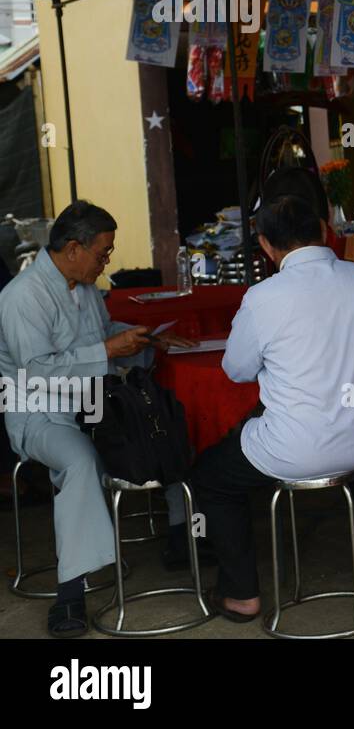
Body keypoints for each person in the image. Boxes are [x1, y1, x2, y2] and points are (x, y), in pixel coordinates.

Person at [190, 193, 354, 623]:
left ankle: (242, 594)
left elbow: (237, 370)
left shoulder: (262, 297)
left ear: (265, 245)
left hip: (291, 451)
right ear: (324, 228)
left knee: (210, 477)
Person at [0, 201, 194, 636]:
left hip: (93, 401)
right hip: (38, 411)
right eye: (103, 253)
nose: (107, 261)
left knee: (164, 424)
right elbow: (37, 371)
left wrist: (144, 339)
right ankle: (69, 596)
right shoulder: (22, 297)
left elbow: (99, 333)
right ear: (73, 248)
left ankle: (184, 535)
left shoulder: (82, 286)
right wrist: (109, 350)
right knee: (81, 462)